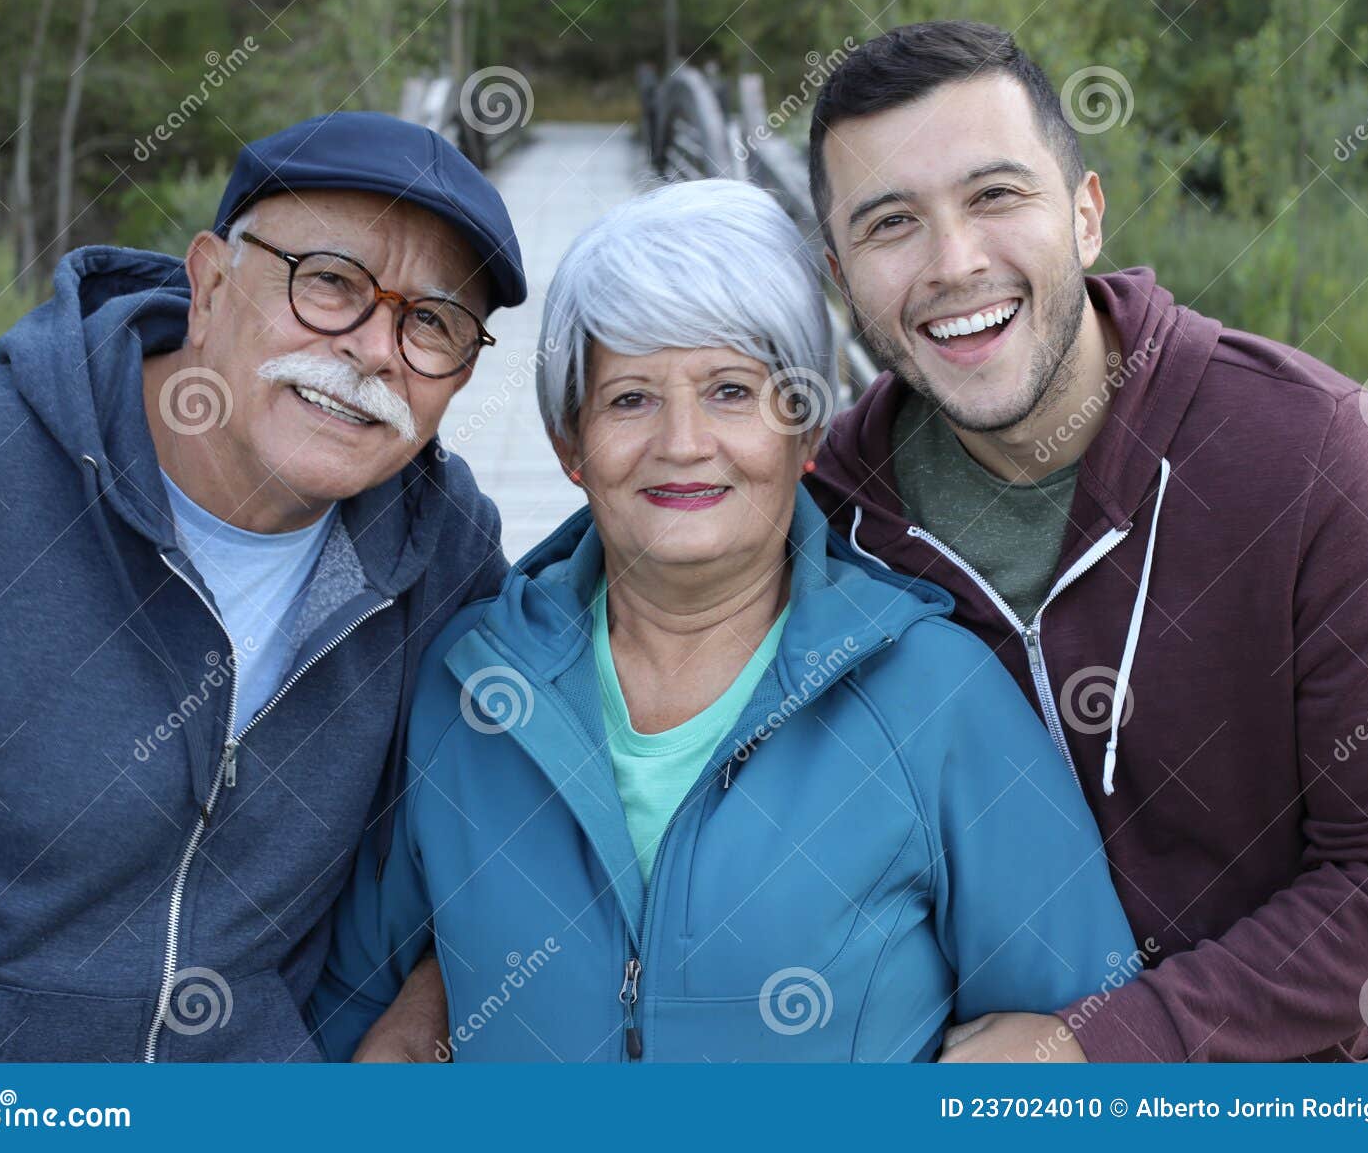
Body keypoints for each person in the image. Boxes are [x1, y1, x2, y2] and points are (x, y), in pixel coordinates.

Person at [310, 179, 1135, 1063]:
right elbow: (346, 1012)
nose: (683, 441)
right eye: (630, 399)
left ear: (805, 428)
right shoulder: (469, 688)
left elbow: (1091, 1033)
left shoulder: (939, 700)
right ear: (568, 443)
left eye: (733, 391)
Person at [803, 20, 1368, 1062]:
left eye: (994, 195)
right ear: (841, 276)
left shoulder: (1316, 456)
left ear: (1086, 214)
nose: (954, 262)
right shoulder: (831, 518)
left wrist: (1100, 1047)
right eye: (890, 224)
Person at [0, 111, 521, 1061]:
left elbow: (540, 809)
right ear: (208, 283)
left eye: (433, 322)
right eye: (331, 281)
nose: (375, 348)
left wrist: (429, 1002)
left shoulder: (439, 547)